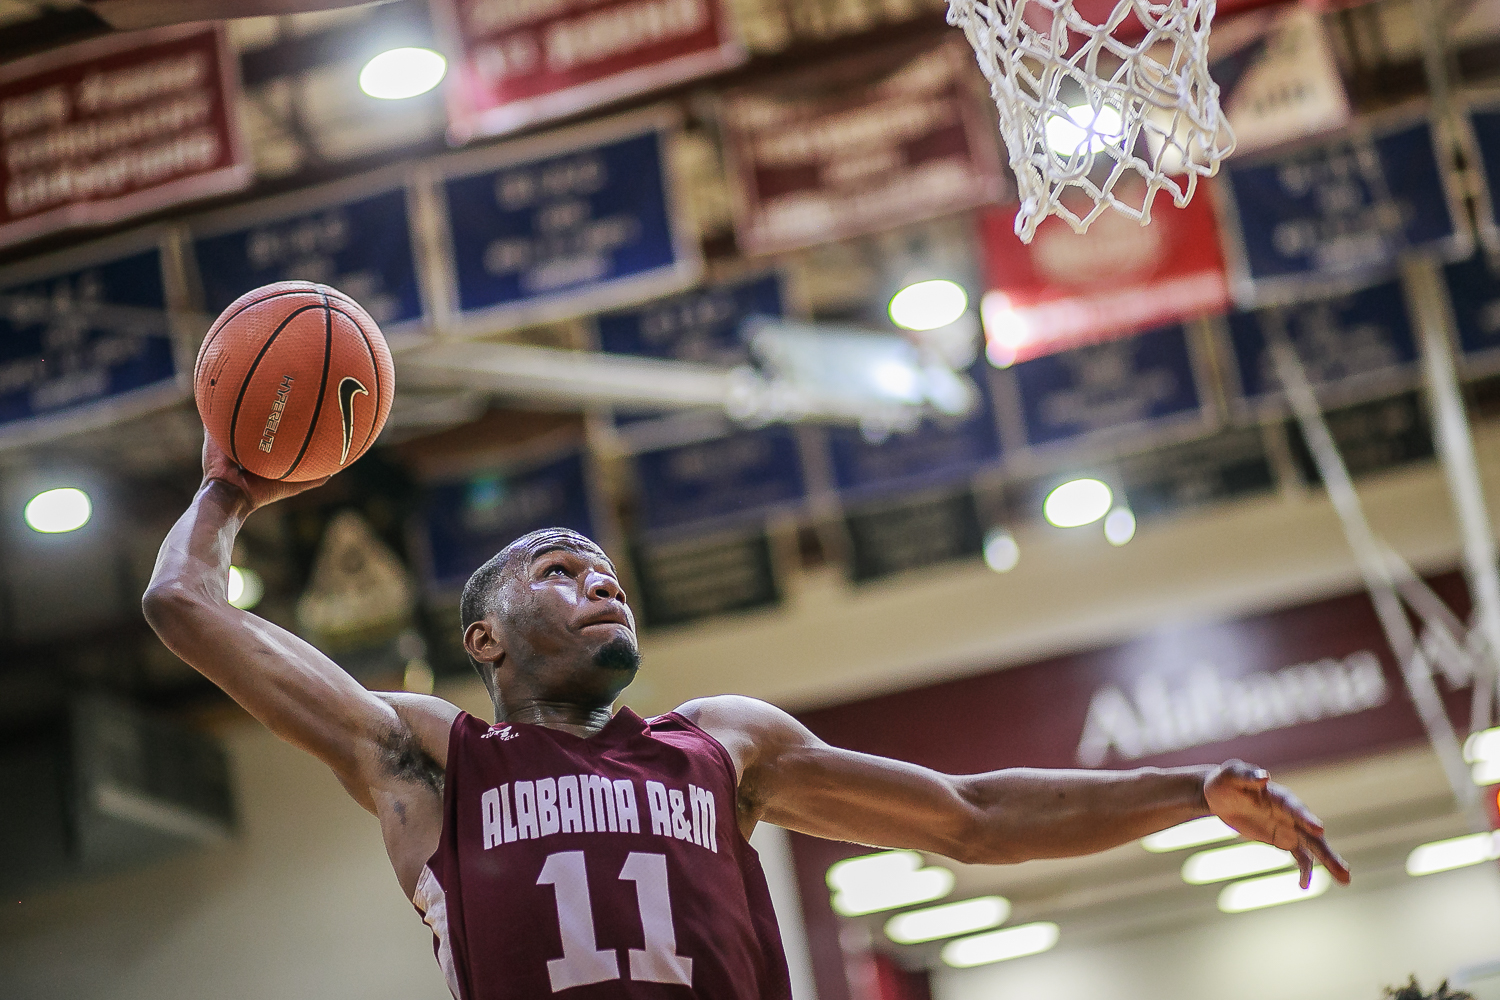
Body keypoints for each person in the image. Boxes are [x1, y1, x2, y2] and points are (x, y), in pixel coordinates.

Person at [144, 436, 1351, 1000]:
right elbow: (181, 604)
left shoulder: (722, 745)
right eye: (562, 569)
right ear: (486, 639)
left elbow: (972, 817)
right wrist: (230, 481)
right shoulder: (436, 756)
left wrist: (1190, 790)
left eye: (610, 568)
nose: (602, 580)